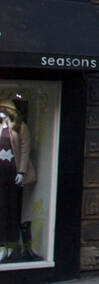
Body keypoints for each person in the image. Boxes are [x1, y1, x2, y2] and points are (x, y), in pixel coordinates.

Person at [0, 96, 36, 264]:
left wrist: (21, 171)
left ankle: (11, 245)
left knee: (11, 207)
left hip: (12, 173)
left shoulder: (20, 128)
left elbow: (24, 149)